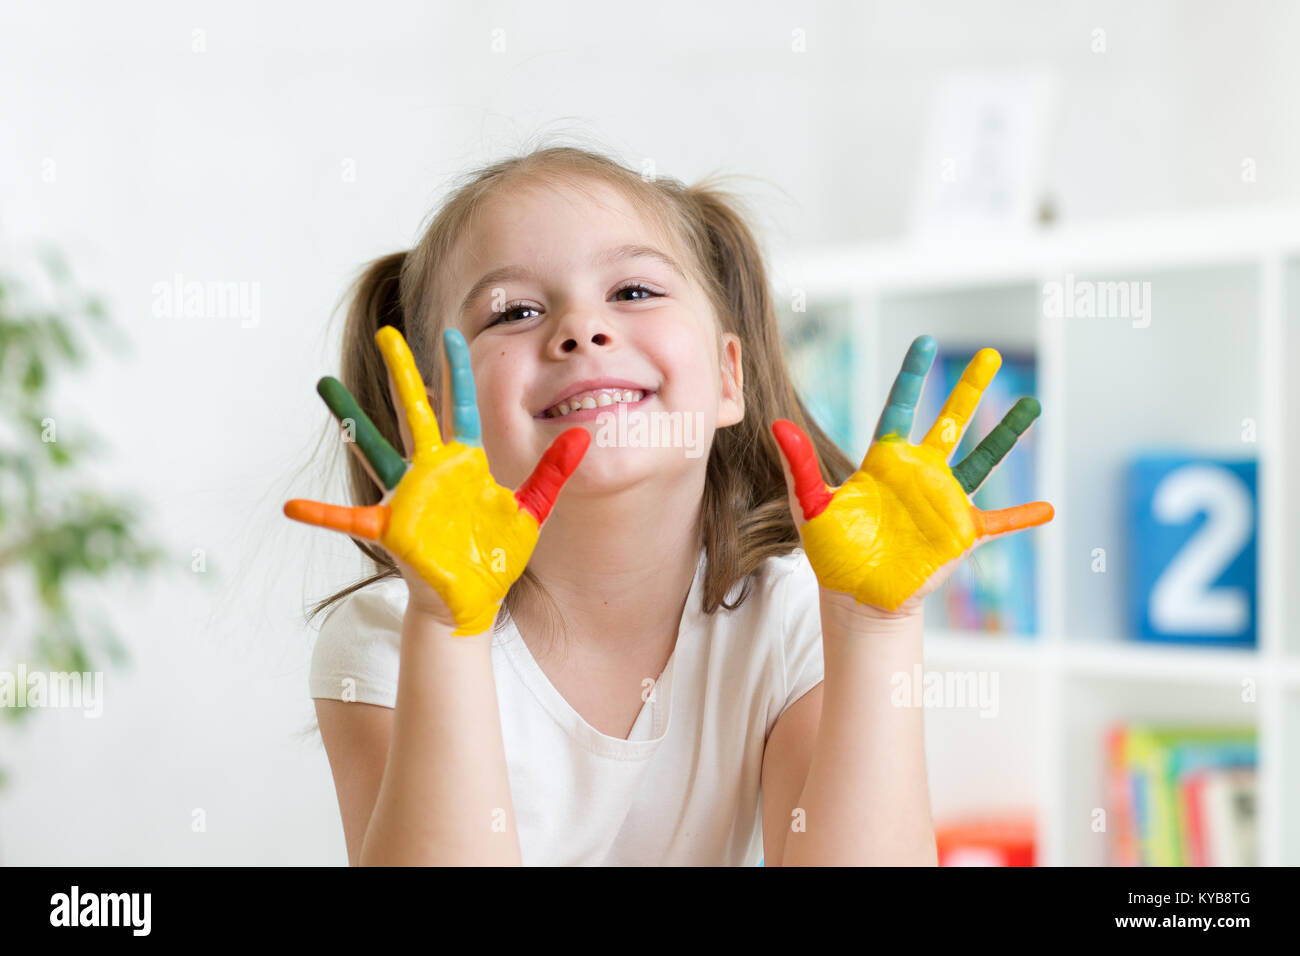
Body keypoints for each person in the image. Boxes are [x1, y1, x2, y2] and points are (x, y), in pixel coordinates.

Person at [285, 144, 1052, 866]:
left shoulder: (789, 617)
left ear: (728, 379)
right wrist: (446, 633)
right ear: (431, 404)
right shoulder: (388, 638)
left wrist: (874, 629)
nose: (582, 330)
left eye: (634, 292)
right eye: (514, 312)